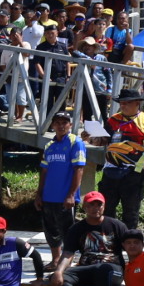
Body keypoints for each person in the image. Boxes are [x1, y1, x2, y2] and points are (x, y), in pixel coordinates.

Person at [89, 88, 144, 229]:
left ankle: (129, 243)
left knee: (131, 211)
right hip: (111, 171)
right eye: (121, 103)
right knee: (107, 209)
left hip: (134, 173)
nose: (123, 106)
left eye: (127, 103)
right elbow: (103, 141)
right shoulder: (113, 120)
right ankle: (109, 239)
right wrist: (90, 139)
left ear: (137, 104)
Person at [48, 192, 125, 286]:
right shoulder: (76, 228)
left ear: (104, 206)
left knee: (102, 269)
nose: (96, 208)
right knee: (56, 277)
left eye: (99, 205)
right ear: (85, 207)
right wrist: (58, 271)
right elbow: (68, 253)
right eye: (91, 205)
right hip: (88, 269)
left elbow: (132, 249)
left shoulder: (117, 225)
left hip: (113, 272)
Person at [34, 110, 86, 266]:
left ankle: (67, 262)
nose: (61, 125)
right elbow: (44, 171)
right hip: (48, 196)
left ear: (70, 125)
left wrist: (71, 194)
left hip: (65, 198)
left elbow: (79, 169)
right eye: (57, 122)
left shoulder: (75, 142)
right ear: (52, 125)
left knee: (68, 232)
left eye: (64, 122)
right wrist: (39, 194)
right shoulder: (49, 145)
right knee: (51, 231)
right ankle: (55, 260)